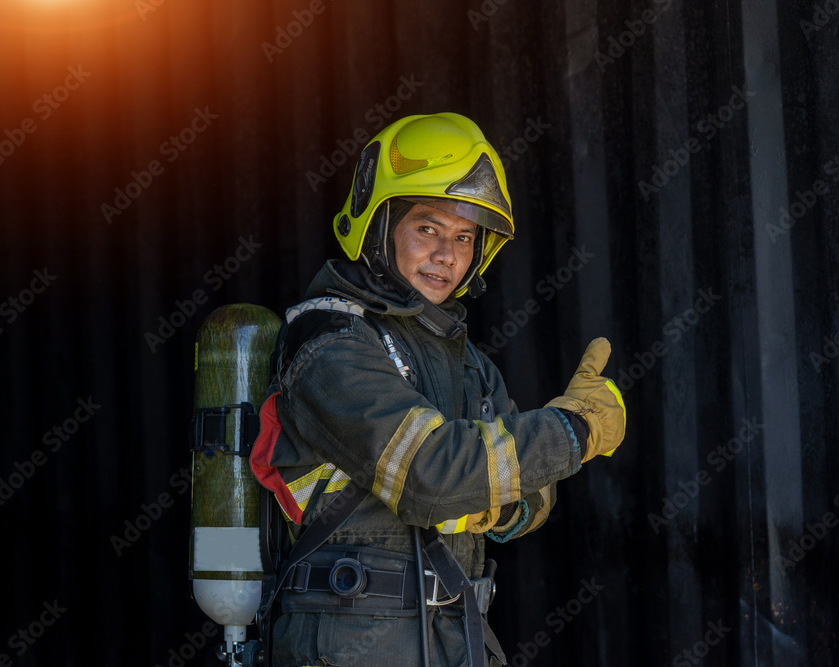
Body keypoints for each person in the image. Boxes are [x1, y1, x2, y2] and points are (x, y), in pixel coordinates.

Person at [250, 112, 626, 667]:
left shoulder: (467, 361)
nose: (447, 255)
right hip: (352, 647)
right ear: (379, 226)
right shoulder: (329, 344)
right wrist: (573, 429)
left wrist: (485, 505)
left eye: (465, 237)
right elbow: (431, 474)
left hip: (451, 640)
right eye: (428, 227)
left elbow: (535, 497)